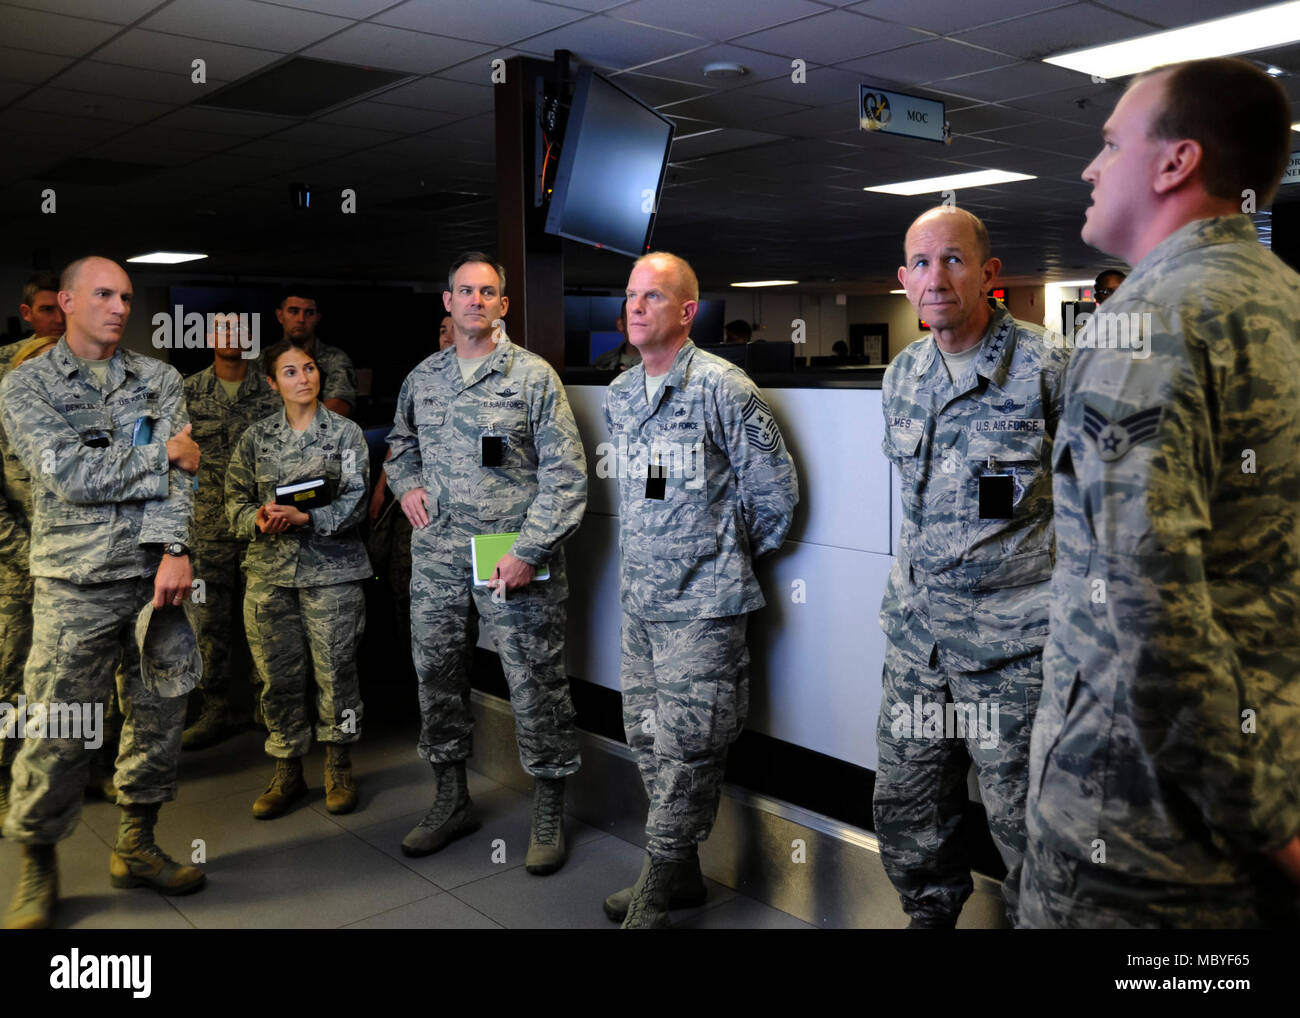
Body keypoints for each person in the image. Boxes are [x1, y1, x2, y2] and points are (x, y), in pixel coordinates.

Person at [1021, 57, 1300, 929]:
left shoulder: (1150, 324)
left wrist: (1270, 827)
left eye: (1110, 143)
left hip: (1145, 837)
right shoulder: (1281, 298)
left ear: (1175, 163)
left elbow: (1150, 613)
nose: (1089, 167)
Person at [874, 206, 1069, 929]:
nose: (936, 278)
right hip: (918, 643)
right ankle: (929, 915)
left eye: (953, 260)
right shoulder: (903, 376)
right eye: (921, 264)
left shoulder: (1049, 366)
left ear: (989, 274)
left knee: (1029, 819)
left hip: (1014, 650)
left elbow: (1099, 506)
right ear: (903, 281)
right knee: (909, 804)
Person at [1, 256, 206, 929]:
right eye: (103, 294)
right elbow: (68, 474)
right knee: (56, 730)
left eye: (125, 296)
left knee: (158, 718)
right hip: (73, 585)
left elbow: (187, 480)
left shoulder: (159, 378)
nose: (119, 306)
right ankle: (37, 866)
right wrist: (161, 456)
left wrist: (176, 550)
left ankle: (137, 846)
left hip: (156, 582)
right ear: (64, 301)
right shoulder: (26, 384)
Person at [602, 251, 798, 928]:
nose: (634, 308)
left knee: (690, 748)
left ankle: (657, 881)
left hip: (704, 609)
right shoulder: (622, 394)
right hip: (641, 605)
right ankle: (680, 872)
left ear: (687, 311)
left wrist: (715, 556)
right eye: (630, 296)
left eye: (652, 297)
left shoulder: (724, 388)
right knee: (647, 738)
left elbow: (775, 498)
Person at [386, 252, 587, 874]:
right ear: (447, 302)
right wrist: (406, 483)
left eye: (488, 292)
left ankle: (549, 809)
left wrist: (530, 551)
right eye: (464, 291)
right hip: (438, 558)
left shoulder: (532, 377)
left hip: (511, 559)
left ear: (503, 304)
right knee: (437, 676)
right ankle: (451, 798)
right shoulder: (422, 378)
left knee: (535, 684)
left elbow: (567, 476)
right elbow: (399, 445)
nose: (475, 300)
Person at [226, 340, 371, 819]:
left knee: (337, 674)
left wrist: (310, 519)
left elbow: (356, 498)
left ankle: (339, 765)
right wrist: (257, 520)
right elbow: (233, 500)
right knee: (277, 677)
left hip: (333, 573)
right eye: (290, 372)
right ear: (272, 383)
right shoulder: (255, 438)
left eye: (309, 368)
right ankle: (287, 769)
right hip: (270, 575)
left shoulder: (346, 434)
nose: (303, 378)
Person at [181, 313, 282, 750]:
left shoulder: (272, 390)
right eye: (223, 329)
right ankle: (215, 709)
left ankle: (269, 707)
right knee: (209, 625)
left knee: (268, 620)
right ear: (208, 336)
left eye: (241, 330)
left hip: (263, 527)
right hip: (207, 531)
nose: (233, 338)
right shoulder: (187, 392)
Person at [0, 334, 59, 830]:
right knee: (11, 680)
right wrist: (39, 561)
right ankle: (3, 782)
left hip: (80, 576)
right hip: (19, 577)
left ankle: (91, 767)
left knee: (78, 684)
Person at [273, 287, 358, 417]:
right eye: (294, 311)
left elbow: (339, 404)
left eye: (309, 313)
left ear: (317, 318)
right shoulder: (262, 360)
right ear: (280, 316)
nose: (301, 319)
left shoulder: (334, 358)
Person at [592, 300, 640, 372]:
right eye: (633, 317)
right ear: (620, 324)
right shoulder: (602, 363)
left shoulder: (662, 366)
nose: (640, 322)